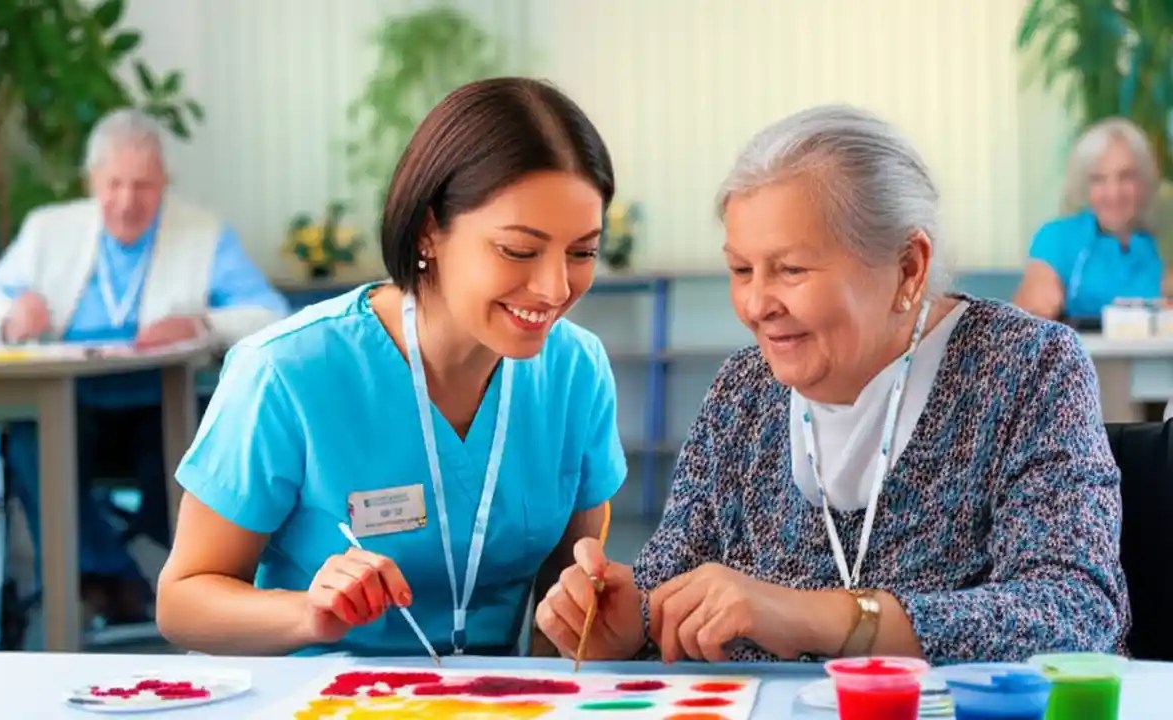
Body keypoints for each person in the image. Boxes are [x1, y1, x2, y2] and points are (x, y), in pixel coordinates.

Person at [536, 105, 1129, 666]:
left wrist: (807, 615)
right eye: (741, 270)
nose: (756, 305)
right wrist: (633, 622)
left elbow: (1073, 614)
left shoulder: (1028, 367)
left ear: (908, 267)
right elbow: (670, 580)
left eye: (790, 269)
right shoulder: (743, 390)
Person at [155, 77, 627, 657]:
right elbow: (181, 601)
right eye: (519, 251)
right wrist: (306, 613)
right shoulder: (286, 372)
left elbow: (569, 608)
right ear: (431, 229)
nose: (555, 288)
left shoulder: (576, 372)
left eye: (581, 252)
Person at [0, 108, 289, 624]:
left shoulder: (202, 233)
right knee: (26, 435)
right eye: (114, 183)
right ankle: (111, 579)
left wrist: (201, 323)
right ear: (92, 180)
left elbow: (269, 313)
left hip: (160, 402)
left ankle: (180, 582)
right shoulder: (50, 229)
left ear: (164, 184)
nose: (127, 201)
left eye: (143, 186)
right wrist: (10, 315)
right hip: (69, 401)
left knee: (200, 446)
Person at [1014, 117, 1168, 321]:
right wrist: (1037, 297)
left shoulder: (1157, 244)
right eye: (1098, 179)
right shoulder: (1057, 238)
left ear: (1143, 181)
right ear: (1085, 186)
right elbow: (1029, 311)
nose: (1113, 194)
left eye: (1125, 177)